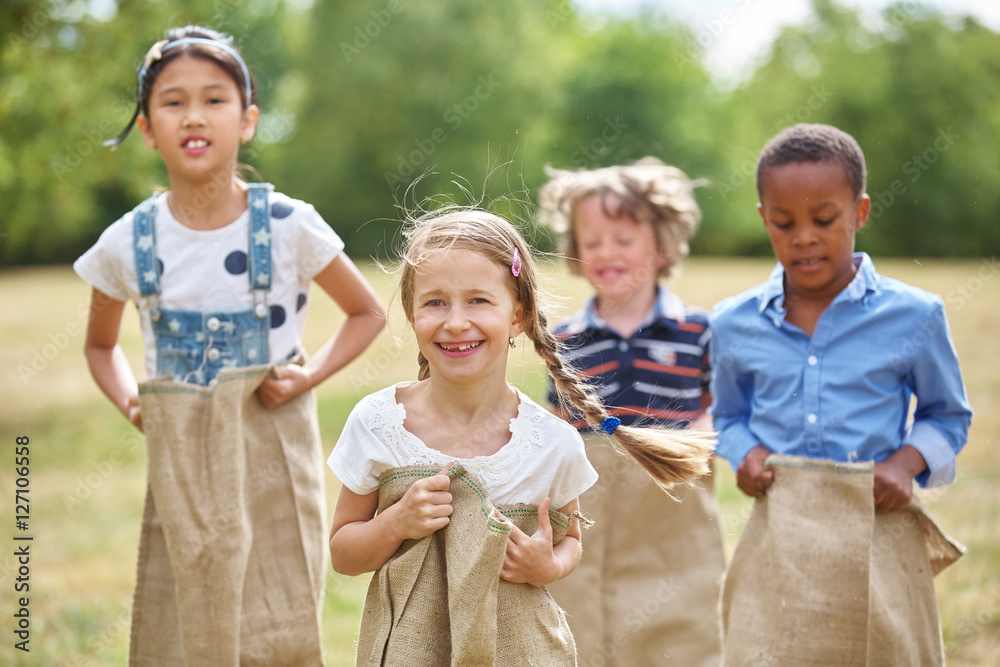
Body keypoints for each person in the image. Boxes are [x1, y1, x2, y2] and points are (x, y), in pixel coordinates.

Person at [74, 26, 385, 666]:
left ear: (247, 121)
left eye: (215, 99)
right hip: (183, 455)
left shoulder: (288, 226)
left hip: (272, 440)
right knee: (188, 597)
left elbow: (366, 312)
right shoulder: (129, 242)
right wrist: (134, 402)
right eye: (172, 101)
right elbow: (101, 347)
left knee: (280, 603)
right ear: (147, 129)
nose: (194, 115)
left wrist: (308, 375)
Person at [327, 208, 715, 665]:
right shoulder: (378, 422)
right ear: (412, 315)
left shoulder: (552, 442)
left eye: (478, 300)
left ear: (518, 317)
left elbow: (571, 540)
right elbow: (343, 555)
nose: (455, 322)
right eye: (435, 302)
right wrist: (394, 524)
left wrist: (547, 565)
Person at [710, 123, 972, 665]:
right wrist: (745, 453)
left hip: (876, 528)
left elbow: (948, 416)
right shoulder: (733, 323)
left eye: (824, 219)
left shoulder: (915, 315)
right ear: (765, 220)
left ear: (860, 212)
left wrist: (905, 463)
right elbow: (728, 414)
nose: (804, 236)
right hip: (780, 535)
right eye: (784, 223)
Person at [537, 158, 725, 667]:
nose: (605, 253)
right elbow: (557, 431)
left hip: (672, 526)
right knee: (585, 635)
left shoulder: (697, 333)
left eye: (622, 239)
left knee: (681, 639)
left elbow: (717, 414)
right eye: (591, 242)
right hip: (590, 526)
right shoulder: (564, 342)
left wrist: (695, 446)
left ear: (660, 244)